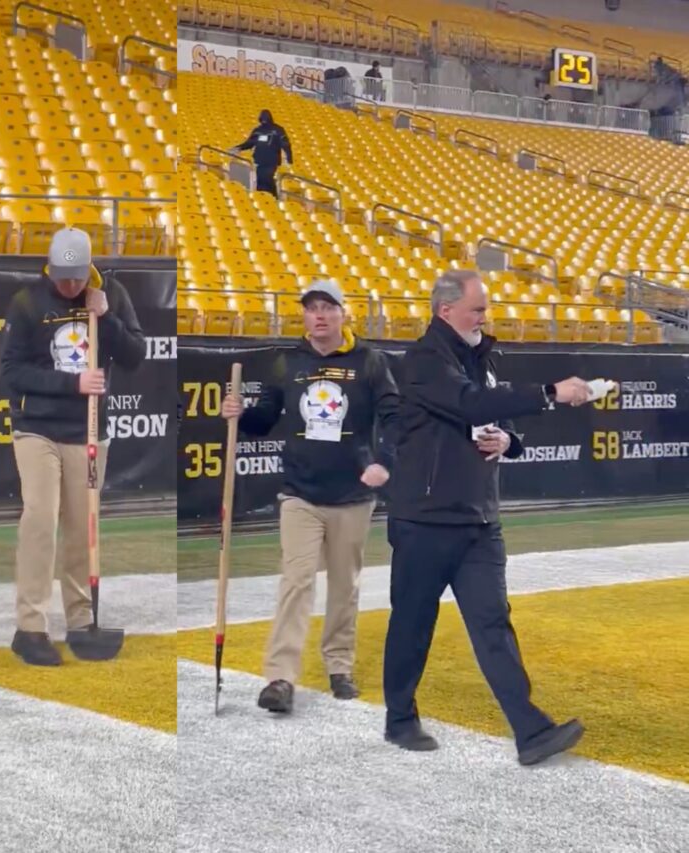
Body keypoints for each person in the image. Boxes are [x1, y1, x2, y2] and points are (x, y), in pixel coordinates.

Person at [383, 269, 593, 766]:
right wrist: (548, 393)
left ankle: (531, 731)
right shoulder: (423, 360)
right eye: (477, 308)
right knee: (413, 623)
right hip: (425, 521)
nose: (485, 315)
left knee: (493, 623)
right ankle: (399, 718)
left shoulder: (484, 360)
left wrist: (510, 441)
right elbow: (467, 403)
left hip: (479, 521)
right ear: (446, 310)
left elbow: (489, 415)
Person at [220, 279, 400, 714]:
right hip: (299, 493)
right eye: (311, 308)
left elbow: (395, 417)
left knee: (344, 585)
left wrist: (384, 462)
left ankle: (339, 666)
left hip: (353, 495)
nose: (318, 315)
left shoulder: (370, 362)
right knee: (296, 581)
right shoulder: (288, 363)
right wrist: (240, 414)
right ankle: (280, 677)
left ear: (343, 314)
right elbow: (264, 419)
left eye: (327, 307)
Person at [0, 227, 146, 667]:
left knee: (83, 530)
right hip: (37, 428)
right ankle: (30, 627)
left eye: (76, 278)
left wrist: (108, 320)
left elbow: (136, 354)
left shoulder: (111, 294)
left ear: (89, 270)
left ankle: (81, 621)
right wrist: (72, 383)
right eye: (62, 278)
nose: (69, 286)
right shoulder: (28, 302)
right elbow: (11, 371)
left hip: (88, 431)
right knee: (41, 520)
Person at [232, 109, 293, 197]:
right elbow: (249, 143)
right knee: (261, 180)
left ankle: (272, 197)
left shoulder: (278, 130)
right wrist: (238, 148)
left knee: (267, 178)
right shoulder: (258, 130)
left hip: (272, 160)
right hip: (260, 161)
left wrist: (289, 158)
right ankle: (263, 198)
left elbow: (285, 144)